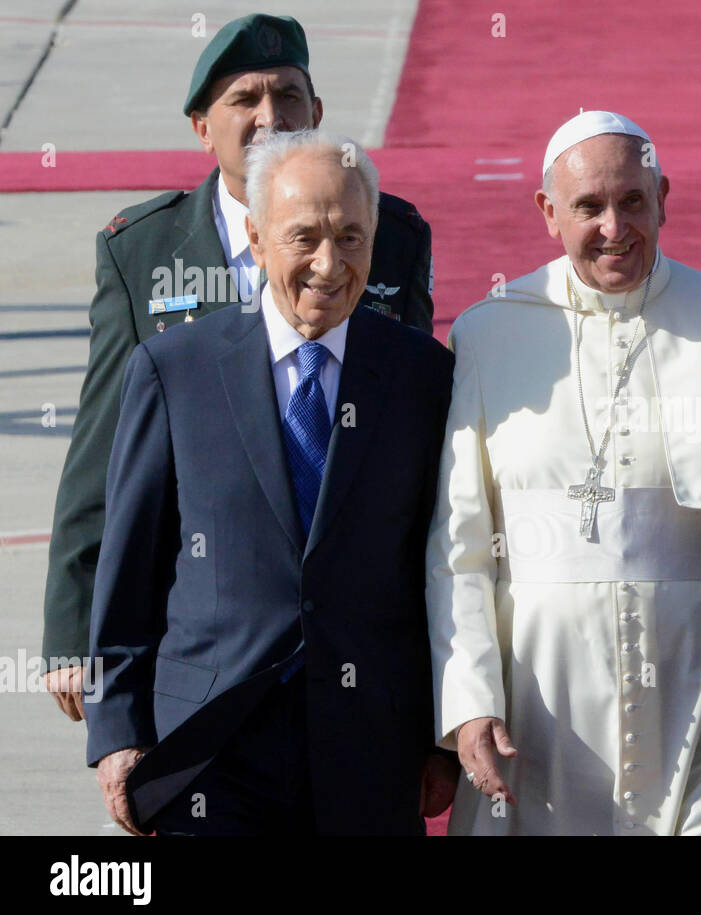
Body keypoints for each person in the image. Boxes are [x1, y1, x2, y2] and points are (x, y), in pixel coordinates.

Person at [43, 13, 435, 720]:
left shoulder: (392, 234)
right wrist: (76, 633)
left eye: (288, 97)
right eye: (244, 100)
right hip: (205, 613)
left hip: (351, 617)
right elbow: (102, 445)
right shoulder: (143, 249)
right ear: (202, 127)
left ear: (316, 113)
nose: (271, 117)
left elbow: (415, 429)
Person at [427, 110, 701, 835]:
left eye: (632, 201)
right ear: (548, 211)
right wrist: (469, 699)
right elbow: (460, 545)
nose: (613, 226)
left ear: (663, 197)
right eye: (588, 206)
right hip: (544, 717)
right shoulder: (488, 333)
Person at [84, 130, 456, 835]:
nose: (329, 263)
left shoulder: (423, 377)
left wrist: (444, 739)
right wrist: (116, 731)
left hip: (371, 751)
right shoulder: (175, 370)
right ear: (255, 237)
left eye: (352, 236)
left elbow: (440, 570)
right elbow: (128, 566)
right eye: (304, 237)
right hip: (210, 751)